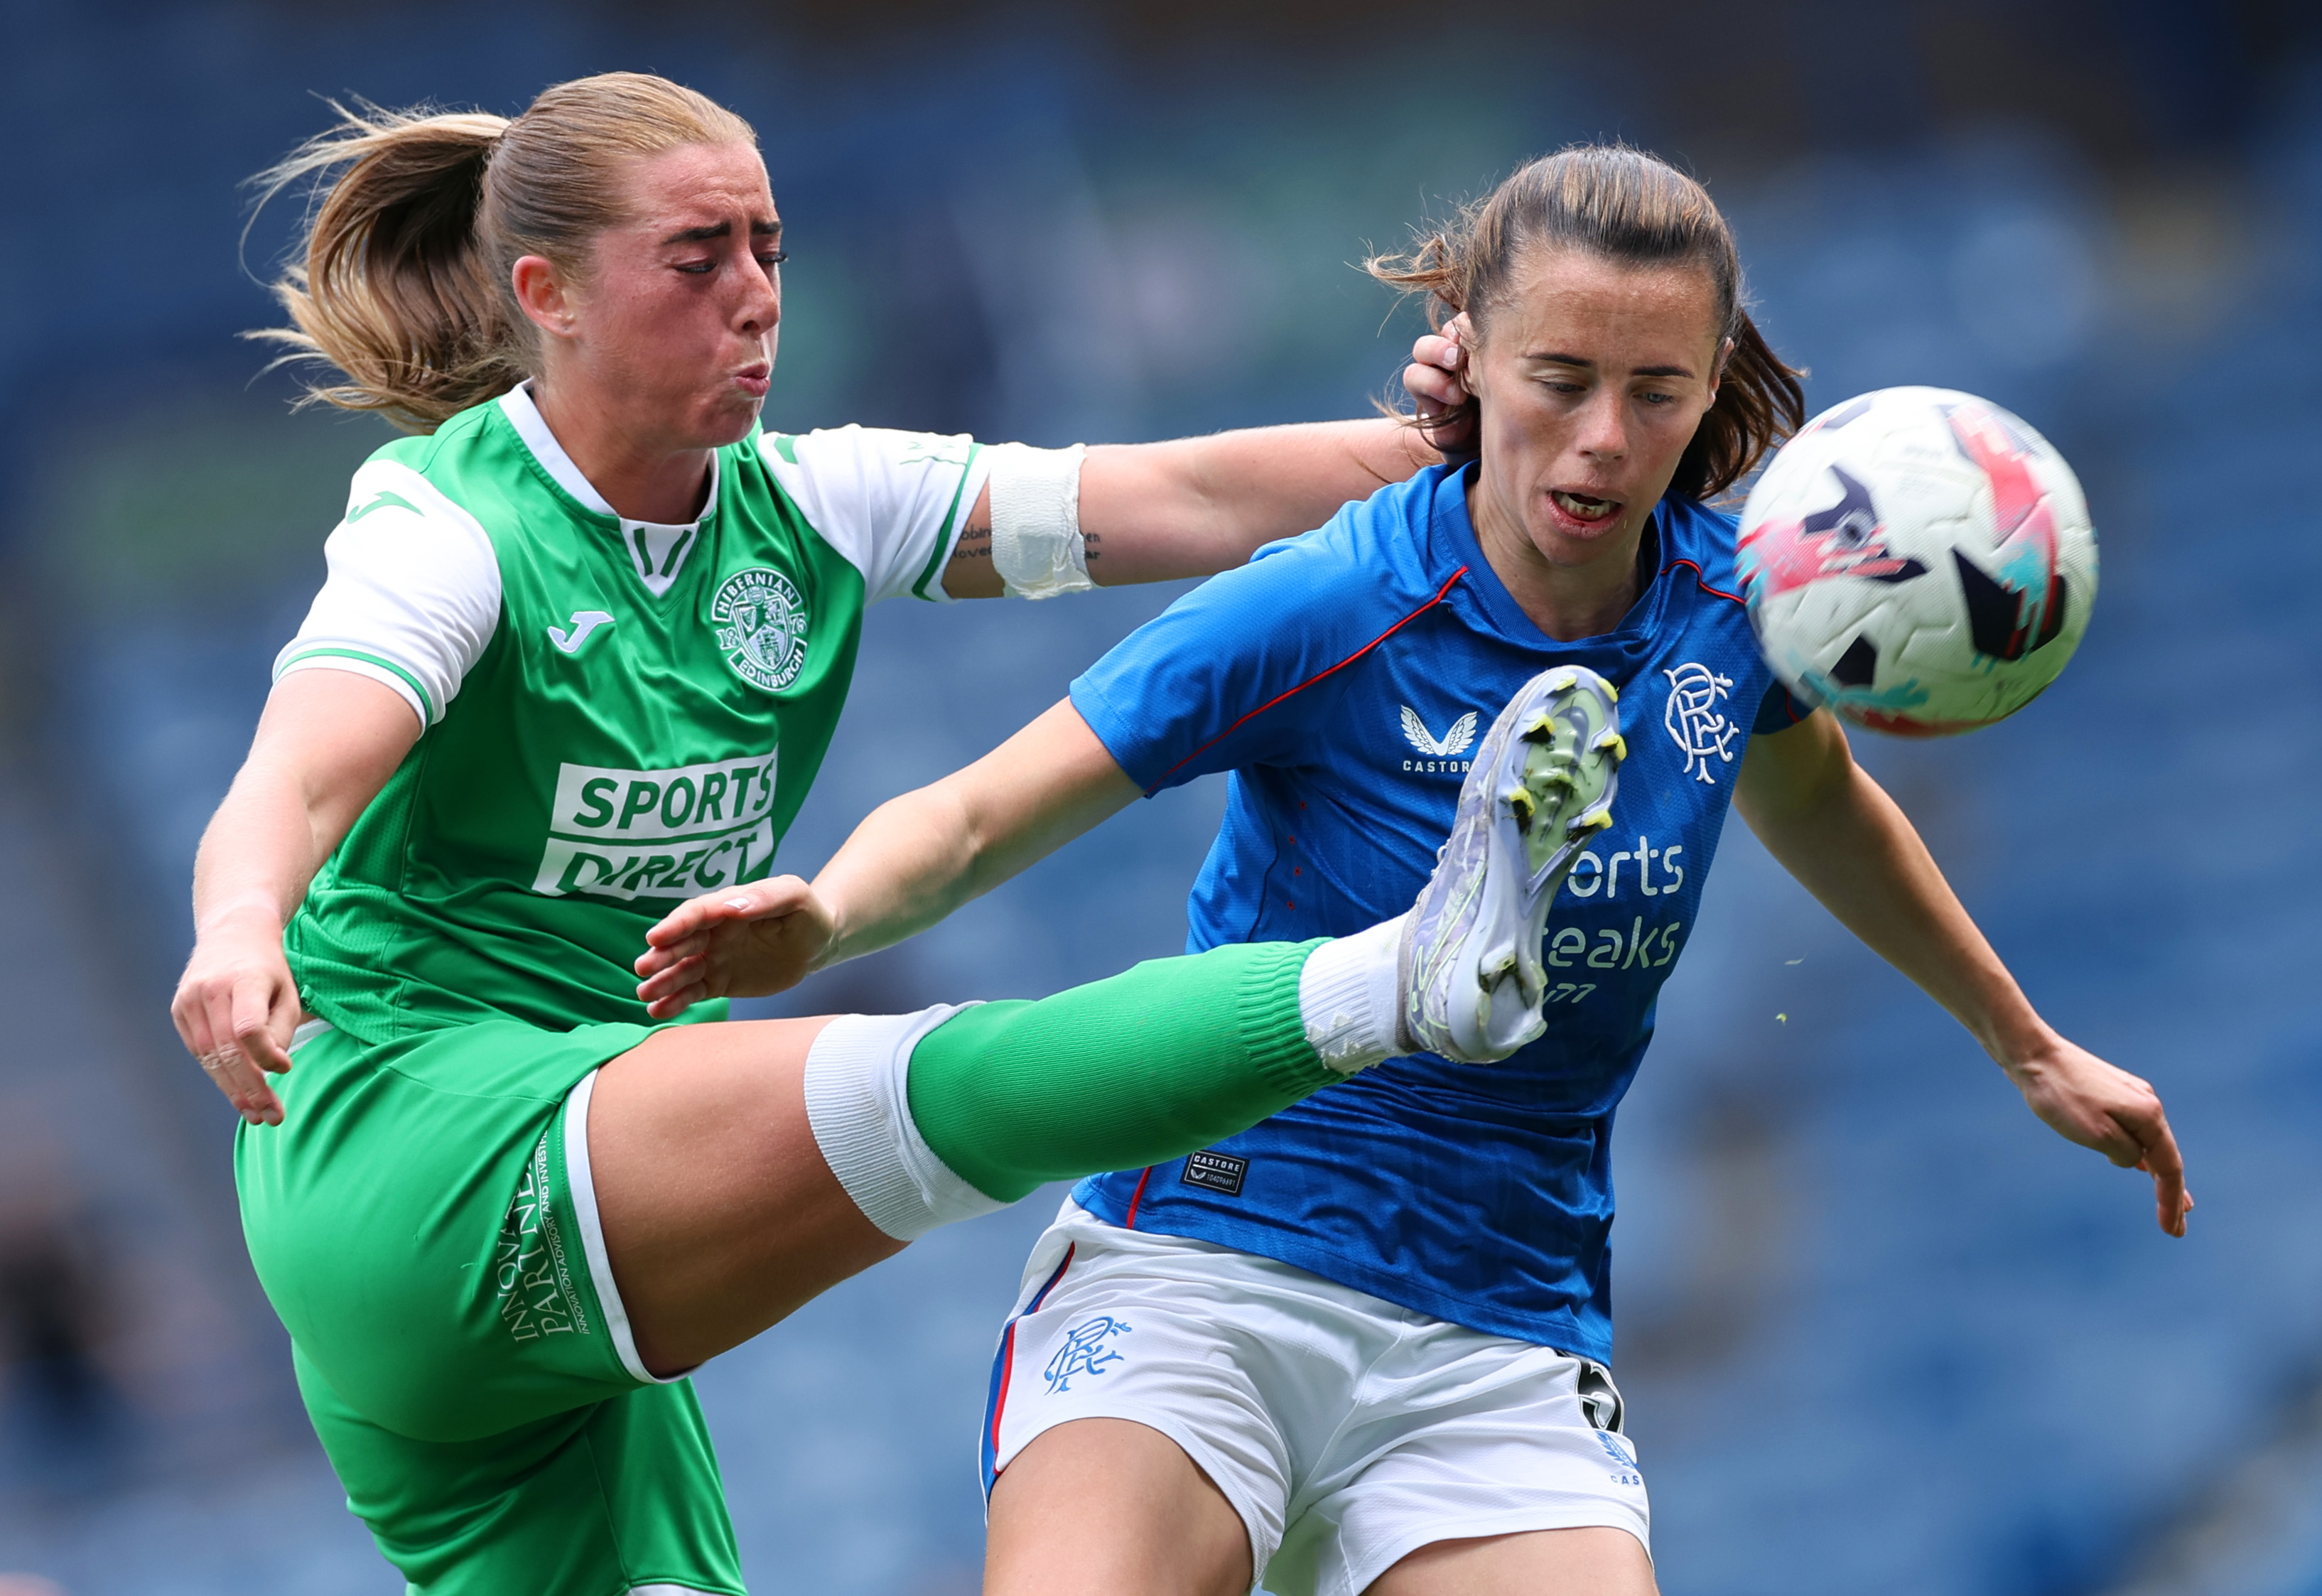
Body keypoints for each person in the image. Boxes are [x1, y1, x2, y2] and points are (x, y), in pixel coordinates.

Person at [634, 144, 2193, 1596]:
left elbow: (1820, 798)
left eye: (1653, 393)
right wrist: (827, 911)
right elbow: (985, 811)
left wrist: (2022, 1040)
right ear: (1472, 358)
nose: (1598, 439)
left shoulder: (1743, 608)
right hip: (1200, 1274)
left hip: (1497, 1335)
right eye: (1559, 380)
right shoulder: (1331, 599)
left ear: (1711, 382)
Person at [167, 70, 1504, 1596]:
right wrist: (235, 924)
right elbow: (296, 775)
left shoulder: (810, 503)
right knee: (935, 1087)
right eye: (697, 258)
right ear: (547, 294)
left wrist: (1476, 443)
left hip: (576, 1214)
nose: (754, 297)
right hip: (416, 1145)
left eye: (770, 249)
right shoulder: (449, 529)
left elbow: (1193, 494)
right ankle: (1410, 977)